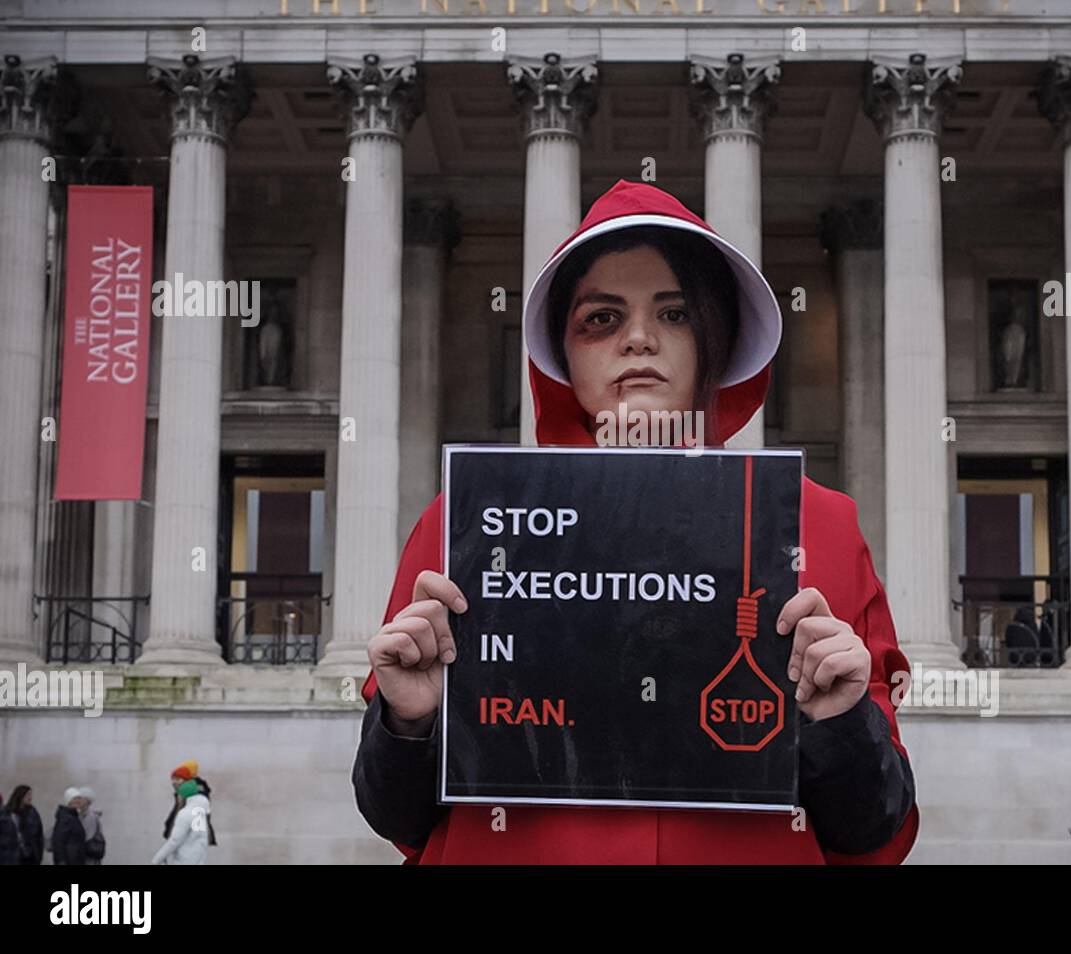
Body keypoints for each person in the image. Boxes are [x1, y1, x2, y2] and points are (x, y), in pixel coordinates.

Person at [351, 179, 919, 865]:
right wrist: (407, 723)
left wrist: (842, 722)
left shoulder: (820, 522)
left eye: (676, 315)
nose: (640, 340)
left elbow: (878, 833)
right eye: (601, 318)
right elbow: (400, 822)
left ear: (715, 338)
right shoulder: (463, 522)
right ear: (563, 351)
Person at [151, 779, 210, 865]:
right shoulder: (200, 812)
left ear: (183, 796)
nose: (178, 798)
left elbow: (174, 841)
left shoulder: (185, 813)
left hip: (185, 861)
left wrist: (157, 859)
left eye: (178, 795)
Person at [164, 759, 217, 848]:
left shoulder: (194, 793)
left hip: (189, 840)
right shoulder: (185, 792)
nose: (174, 782)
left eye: (177, 779)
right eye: (173, 779)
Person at [3, 786, 43, 865]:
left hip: (30, 856)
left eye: (30, 795)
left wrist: (38, 854)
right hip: (12, 857)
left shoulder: (32, 812)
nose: (30, 798)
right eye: (28, 795)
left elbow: (39, 834)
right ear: (20, 796)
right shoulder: (7, 814)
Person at [50, 787, 88, 865]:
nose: (78, 801)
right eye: (74, 798)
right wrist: (61, 861)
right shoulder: (66, 818)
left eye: (79, 798)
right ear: (69, 800)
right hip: (69, 860)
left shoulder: (74, 816)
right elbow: (59, 841)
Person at [78, 786, 106, 864]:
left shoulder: (90, 817)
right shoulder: (83, 815)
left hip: (89, 858)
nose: (78, 801)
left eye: (81, 798)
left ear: (87, 801)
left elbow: (86, 837)